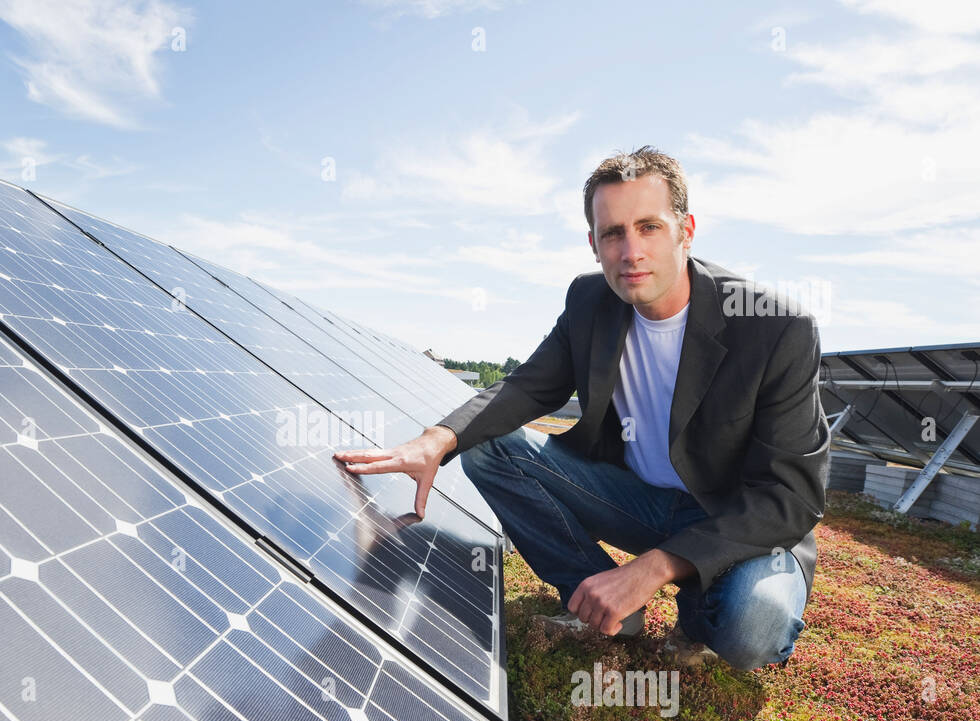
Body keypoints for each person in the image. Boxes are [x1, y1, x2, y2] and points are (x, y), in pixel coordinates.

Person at [333, 147, 830, 670]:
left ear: (686, 231)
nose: (631, 252)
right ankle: (597, 597)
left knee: (753, 626)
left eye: (649, 227)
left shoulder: (774, 327)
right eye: (613, 233)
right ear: (594, 244)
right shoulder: (590, 301)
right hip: (635, 500)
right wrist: (437, 439)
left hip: (734, 517)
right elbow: (528, 387)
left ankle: (698, 616)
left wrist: (656, 567)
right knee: (487, 445)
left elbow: (792, 496)